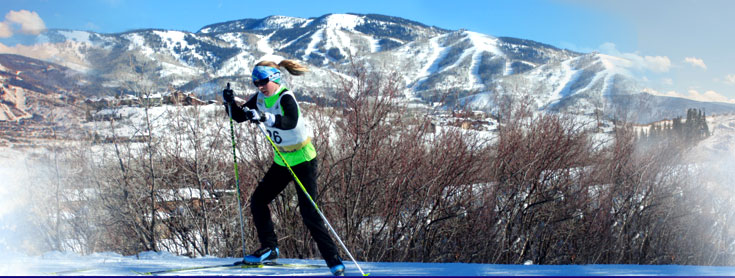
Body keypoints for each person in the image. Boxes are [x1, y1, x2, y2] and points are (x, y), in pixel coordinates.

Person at [222, 59, 345, 276]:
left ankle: (334, 260)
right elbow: (239, 117)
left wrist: (264, 117)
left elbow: (290, 121)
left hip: (303, 160)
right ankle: (270, 248)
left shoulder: (285, 97)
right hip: (282, 160)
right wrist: (230, 103)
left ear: (275, 78)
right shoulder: (259, 98)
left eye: (263, 81)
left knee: (309, 212)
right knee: (258, 200)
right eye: (255, 82)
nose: (259, 86)